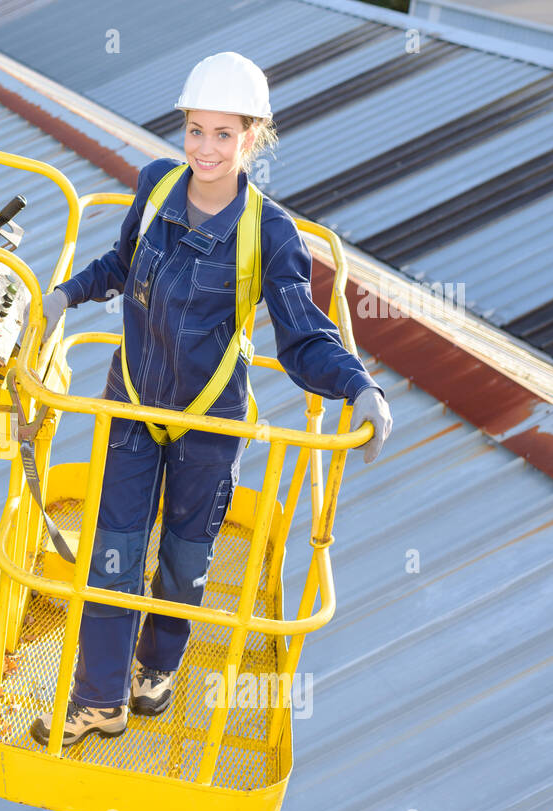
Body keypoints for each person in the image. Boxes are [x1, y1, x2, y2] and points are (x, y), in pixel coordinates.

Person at [31, 51, 393, 748]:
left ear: (252, 138)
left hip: (207, 423)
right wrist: (65, 294)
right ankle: (100, 698)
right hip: (133, 402)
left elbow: (303, 337)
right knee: (112, 552)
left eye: (223, 134)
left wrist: (360, 386)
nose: (204, 149)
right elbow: (121, 263)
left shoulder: (270, 234)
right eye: (195, 130)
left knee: (182, 560)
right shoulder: (157, 186)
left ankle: (156, 669)